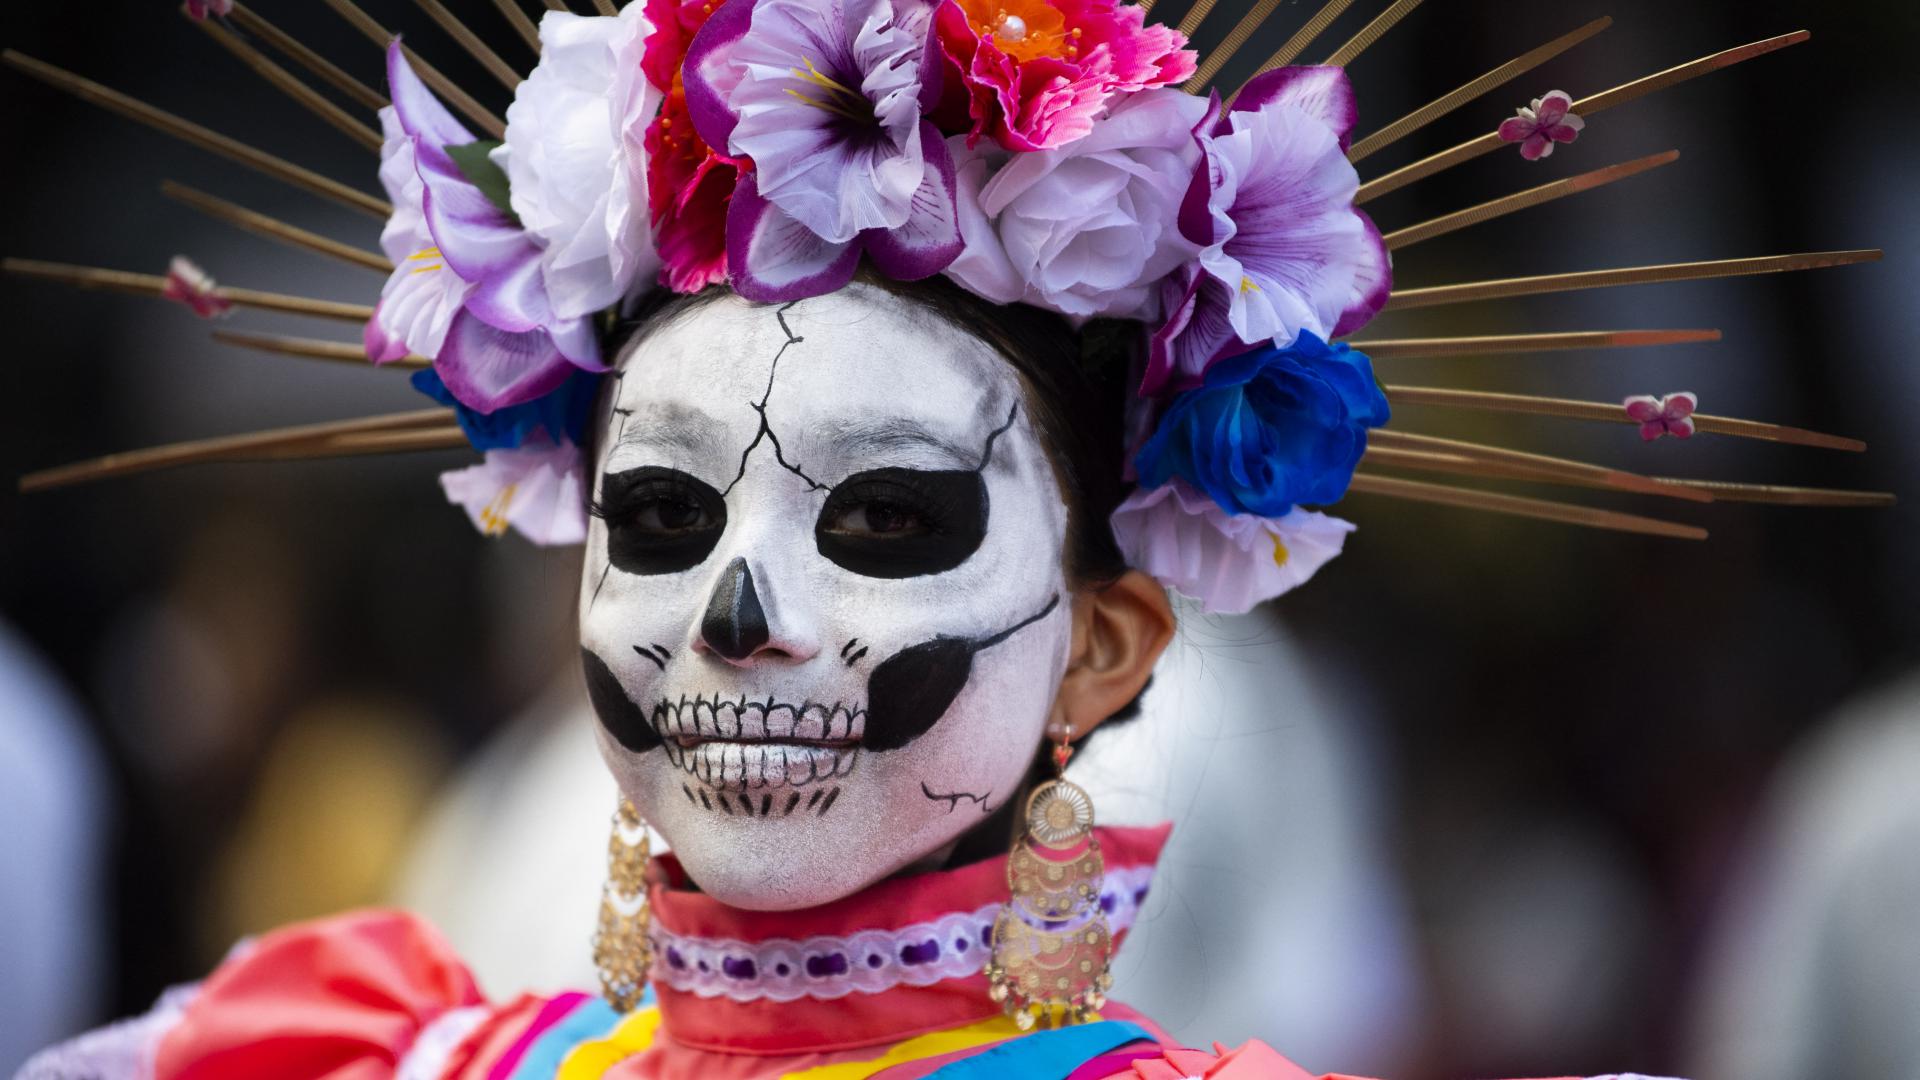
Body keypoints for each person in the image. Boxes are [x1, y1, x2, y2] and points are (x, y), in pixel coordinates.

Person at [6, 0, 1881, 1076]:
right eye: (658, 515)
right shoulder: (381, 1055)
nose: (735, 609)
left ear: (1105, 643)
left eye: (889, 516)